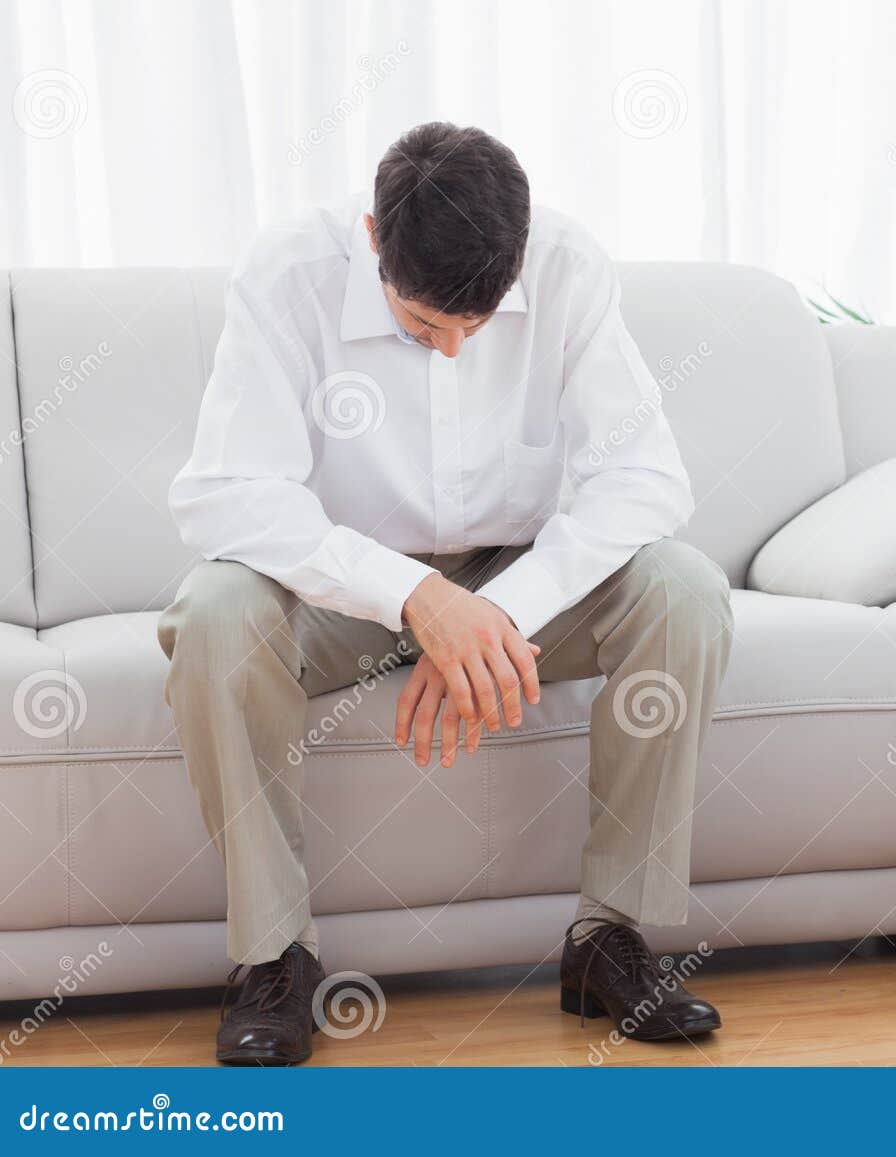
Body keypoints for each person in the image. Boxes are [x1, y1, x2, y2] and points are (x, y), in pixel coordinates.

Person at [157, 121, 732, 1065]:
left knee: (685, 590)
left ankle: (609, 937)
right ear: (378, 237)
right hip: (340, 592)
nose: (455, 352)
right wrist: (418, 598)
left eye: (478, 325)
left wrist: (497, 611)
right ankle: (273, 959)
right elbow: (227, 496)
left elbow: (645, 479)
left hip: (517, 585)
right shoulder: (285, 272)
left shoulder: (567, 264)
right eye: (425, 328)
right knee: (217, 613)